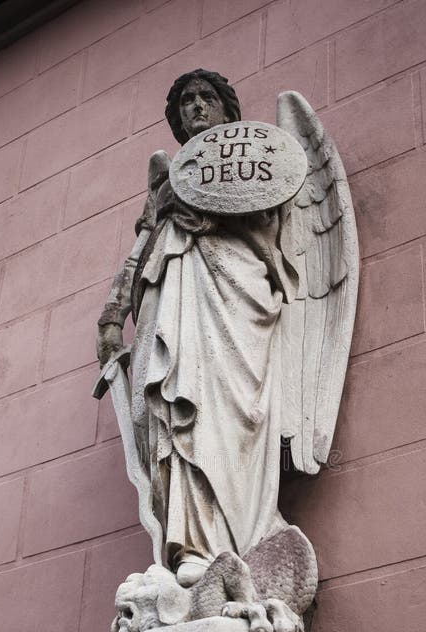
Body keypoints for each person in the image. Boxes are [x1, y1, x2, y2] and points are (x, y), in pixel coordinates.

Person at [96, 70, 299, 587]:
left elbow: (269, 229)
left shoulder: (253, 162)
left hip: (236, 294)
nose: (196, 106)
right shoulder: (169, 180)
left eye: (207, 97)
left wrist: (207, 209)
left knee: (228, 413)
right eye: (187, 100)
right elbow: (141, 248)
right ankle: (191, 544)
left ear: (228, 111)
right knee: (174, 408)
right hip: (174, 293)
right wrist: (113, 315)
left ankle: (239, 540)